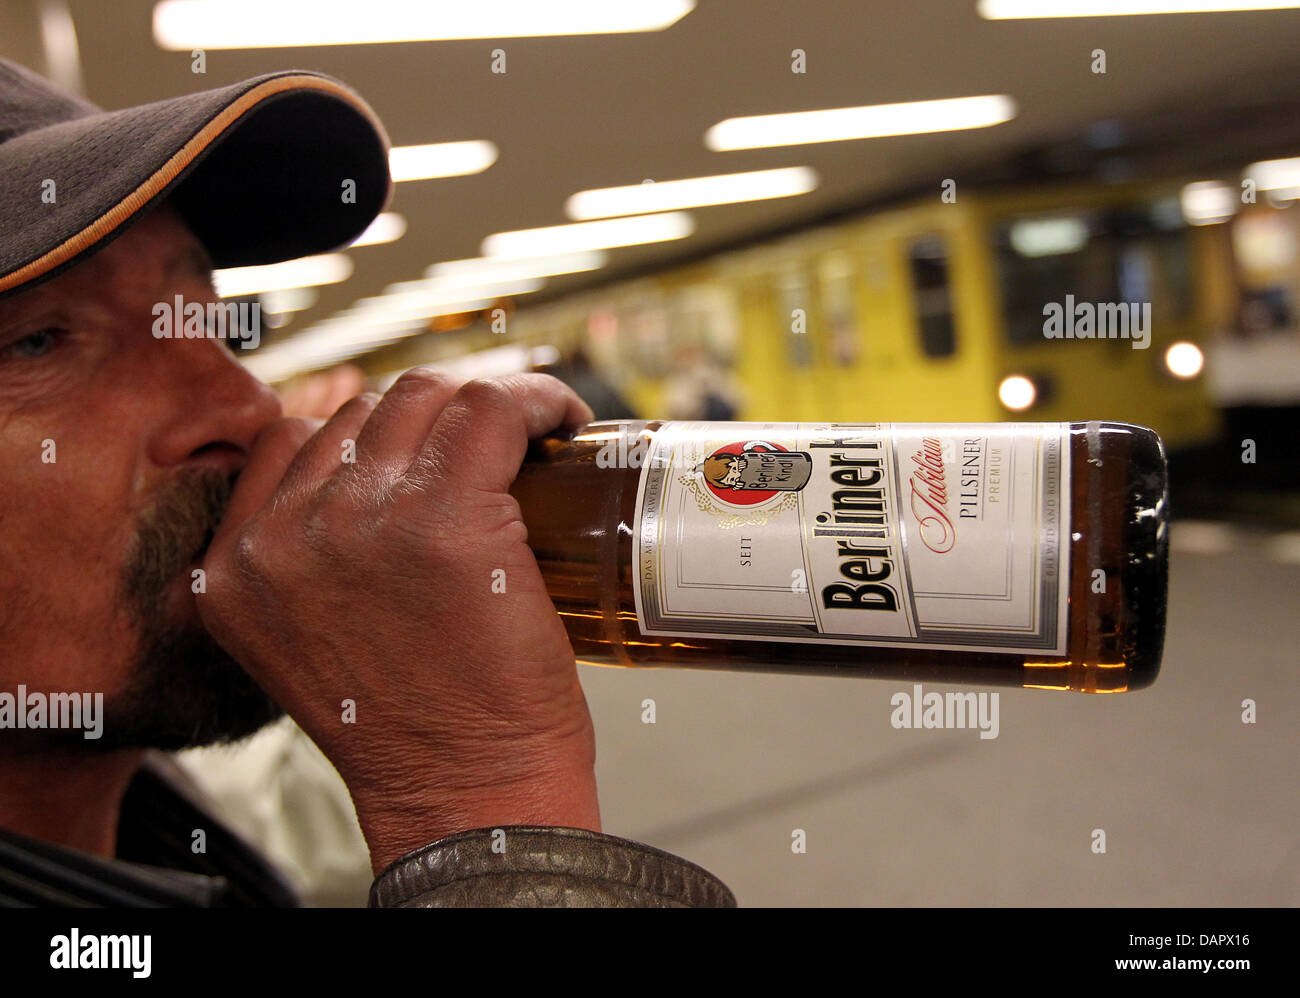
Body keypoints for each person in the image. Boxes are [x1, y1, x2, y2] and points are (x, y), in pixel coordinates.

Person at [0, 57, 735, 908]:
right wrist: (481, 801)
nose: (245, 404)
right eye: (38, 342)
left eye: (202, 314)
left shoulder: (173, 847)